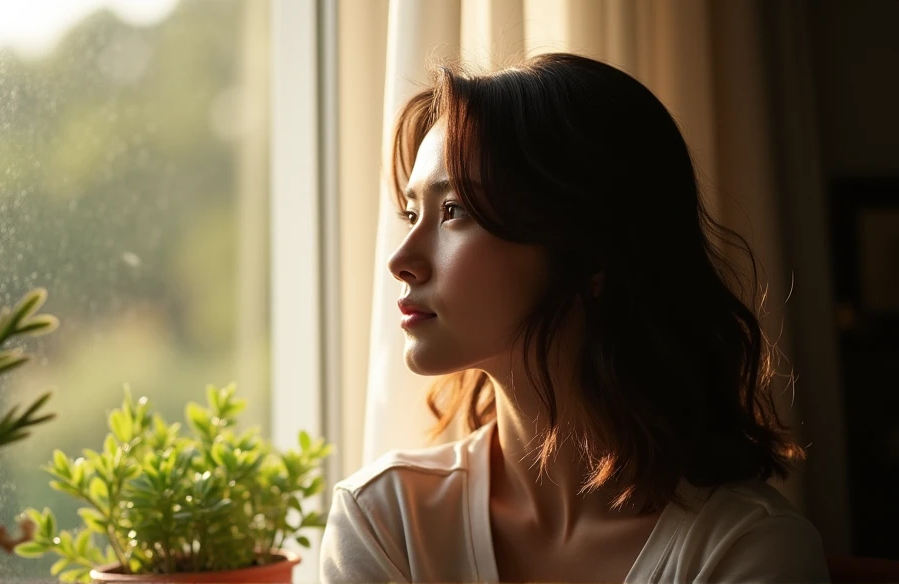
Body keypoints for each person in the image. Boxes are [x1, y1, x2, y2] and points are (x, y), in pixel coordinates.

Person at [319, 52, 829, 583]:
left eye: (453, 212)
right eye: (410, 213)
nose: (401, 260)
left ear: (589, 254)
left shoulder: (744, 550)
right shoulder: (385, 522)